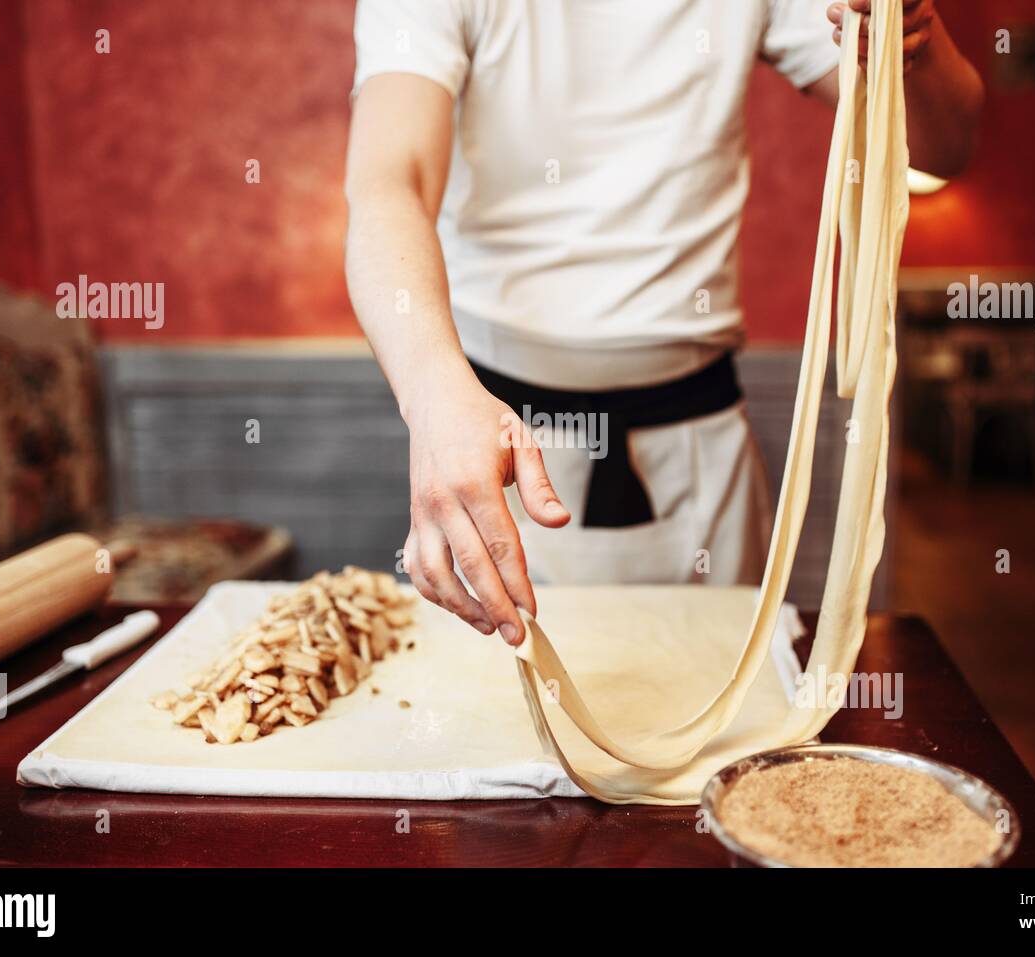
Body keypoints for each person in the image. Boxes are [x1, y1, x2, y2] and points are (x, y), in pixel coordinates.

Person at [345, 0, 982, 645]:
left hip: (701, 445)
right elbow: (388, 183)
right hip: (495, 441)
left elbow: (940, 147)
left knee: (731, 718)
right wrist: (433, 399)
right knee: (496, 724)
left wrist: (912, 42)